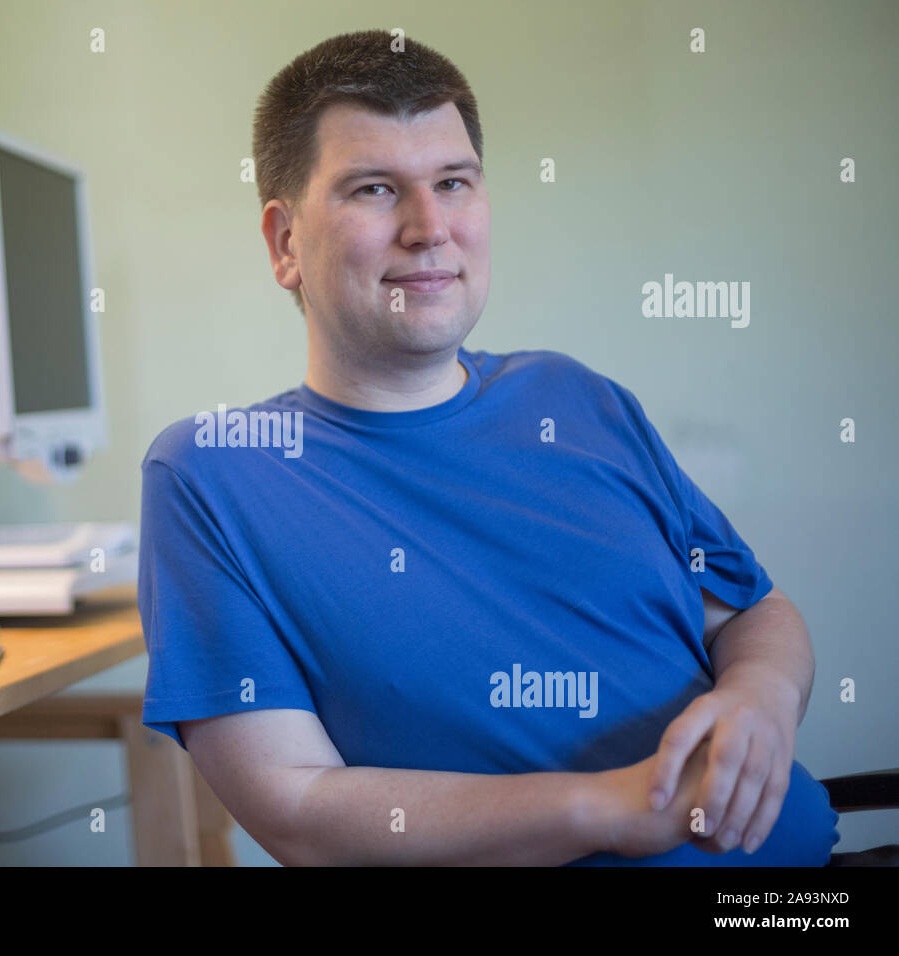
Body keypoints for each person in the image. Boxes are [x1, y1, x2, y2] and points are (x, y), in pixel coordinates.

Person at [137, 29, 840, 866]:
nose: (429, 227)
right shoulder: (213, 473)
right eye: (373, 189)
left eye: (453, 182)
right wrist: (618, 808)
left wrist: (761, 697)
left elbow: (752, 611)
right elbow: (297, 807)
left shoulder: (574, 398)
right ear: (284, 242)